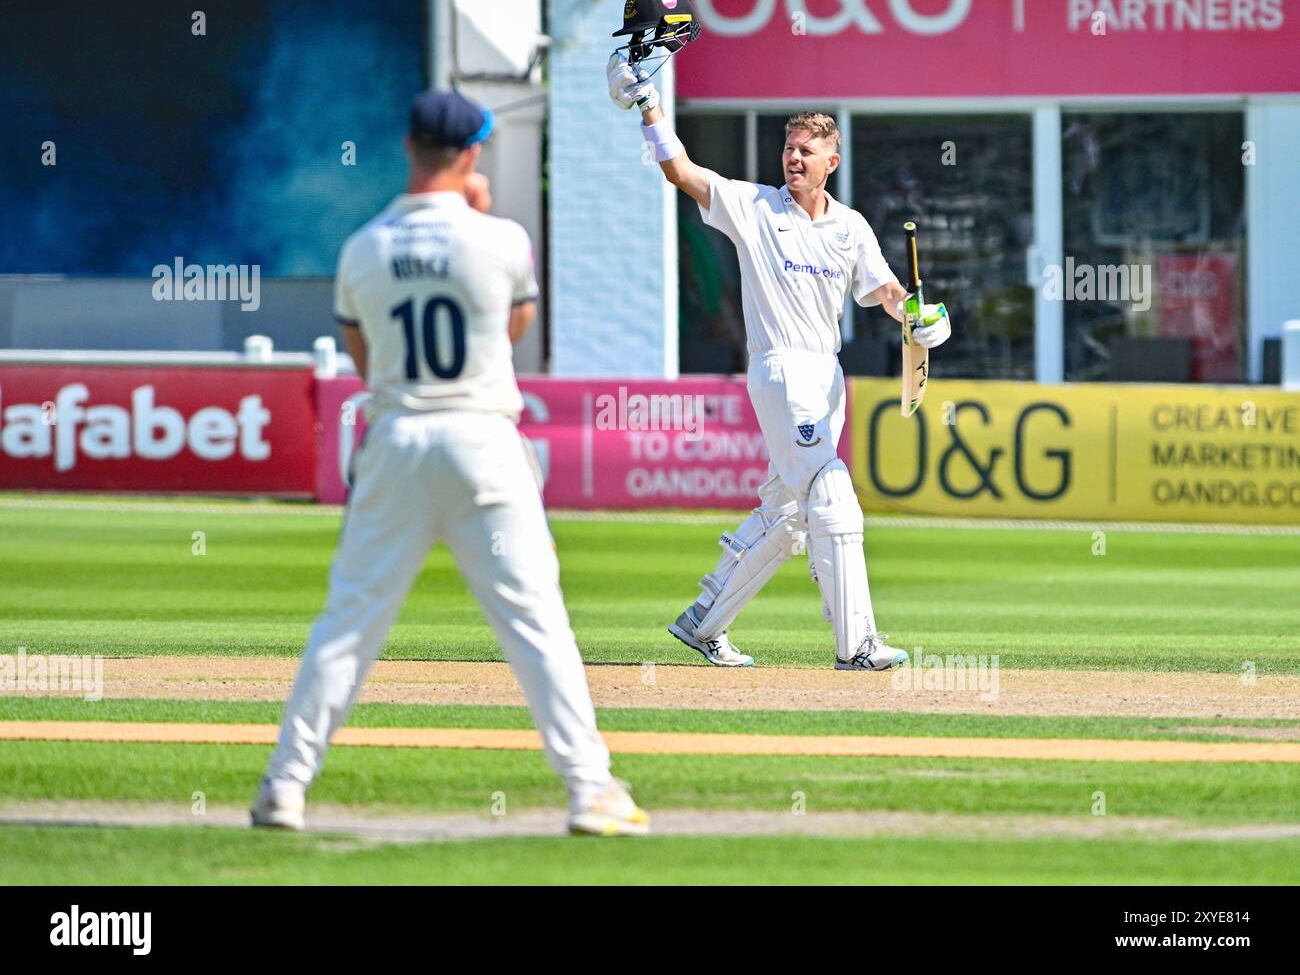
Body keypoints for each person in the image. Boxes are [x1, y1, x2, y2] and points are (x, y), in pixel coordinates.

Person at [251, 89, 648, 837]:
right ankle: (589, 789)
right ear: (471, 155)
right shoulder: (501, 239)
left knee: (348, 622)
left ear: (409, 147)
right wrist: (479, 214)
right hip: (481, 441)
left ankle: (285, 785)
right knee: (536, 622)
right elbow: (514, 326)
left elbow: (368, 360)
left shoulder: (362, 246)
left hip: (398, 437)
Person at [607, 58, 952, 671]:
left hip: (826, 377)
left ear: (831, 163)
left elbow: (888, 292)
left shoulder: (849, 227)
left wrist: (920, 317)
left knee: (789, 515)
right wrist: (648, 105)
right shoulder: (754, 207)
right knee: (833, 494)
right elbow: (679, 171)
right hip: (780, 369)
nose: (793, 158)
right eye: (788, 148)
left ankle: (703, 622)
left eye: (805, 151)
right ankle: (857, 645)